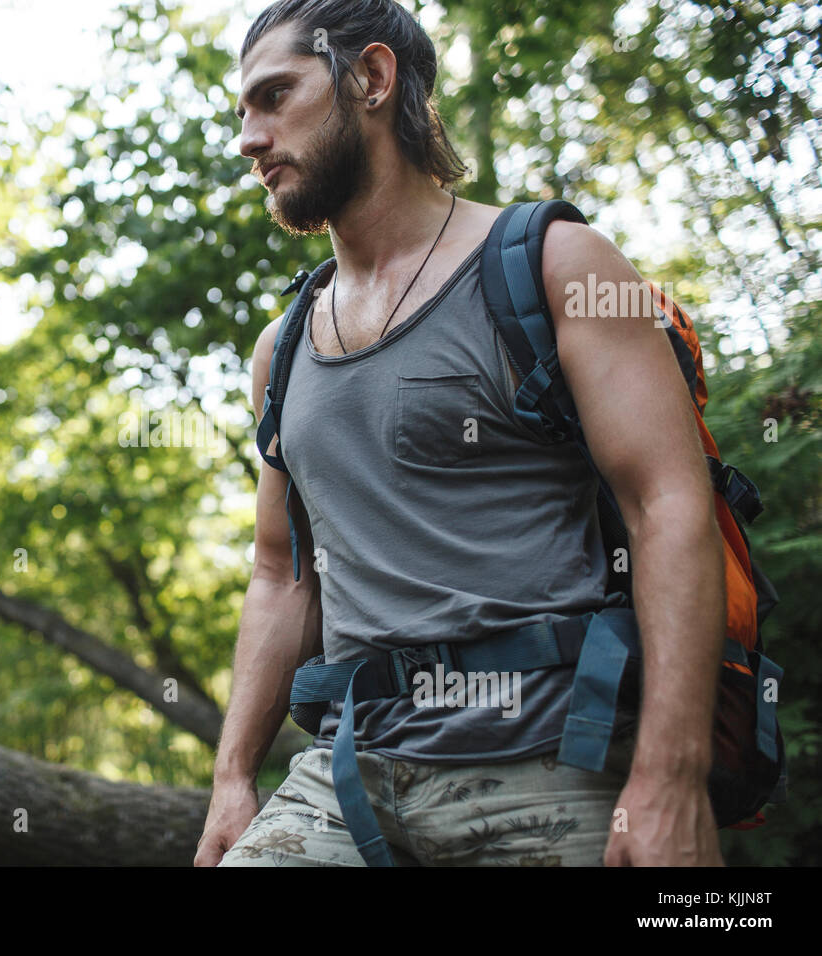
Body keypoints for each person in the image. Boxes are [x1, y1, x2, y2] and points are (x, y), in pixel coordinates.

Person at [194, 0, 726, 867]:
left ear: (370, 77)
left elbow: (667, 505)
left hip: (549, 754)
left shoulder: (557, 263)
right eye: (242, 111)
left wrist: (671, 775)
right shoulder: (280, 347)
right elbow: (281, 576)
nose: (249, 138)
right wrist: (232, 780)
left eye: (274, 96)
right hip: (347, 774)